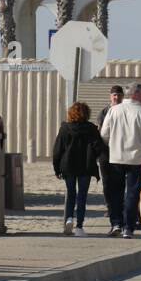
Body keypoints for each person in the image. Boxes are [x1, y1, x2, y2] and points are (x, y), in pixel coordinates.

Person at [100, 83, 141, 238]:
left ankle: (116, 223)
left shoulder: (113, 110)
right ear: (136, 94)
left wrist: (112, 146)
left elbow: (104, 134)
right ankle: (128, 228)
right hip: (136, 158)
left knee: (115, 192)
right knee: (132, 193)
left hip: (116, 157)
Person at [53, 102, 106, 238]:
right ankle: (79, 226)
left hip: (68, 166)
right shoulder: (91, 129)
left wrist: (56, 168)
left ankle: (69, 218)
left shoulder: (64, 129)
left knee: (71, 193)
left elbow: (57, 150)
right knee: (82, 196)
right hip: (85, 166)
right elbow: (98, 147)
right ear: (86, 114)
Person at [96, 85, 124, 227]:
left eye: (119, 95)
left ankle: (119, 209)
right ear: (110, 96)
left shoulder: (125, 111)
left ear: (122, 97)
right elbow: (100, 132)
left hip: (121, 151)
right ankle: (110, 207)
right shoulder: (104, 112)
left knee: (119, 183)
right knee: (107, 183)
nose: (116, 97)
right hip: (106, 152)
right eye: (114, 95)